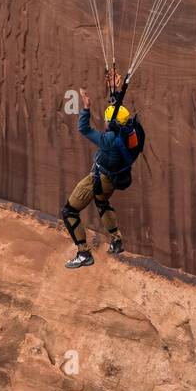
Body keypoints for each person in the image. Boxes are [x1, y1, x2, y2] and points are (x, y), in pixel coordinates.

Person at [60, 87, 146, 269]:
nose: (105, 123)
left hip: (99, 178)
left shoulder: (108, 140)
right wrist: (115, 96)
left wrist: (86, 107)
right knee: (102, 202)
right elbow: (118, 118)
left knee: (69, 212)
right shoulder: (134, 134)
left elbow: (83, 129)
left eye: (107, 121)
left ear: (112, 124)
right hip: (116, 179)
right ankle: (116, 240)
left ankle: (83, 253)